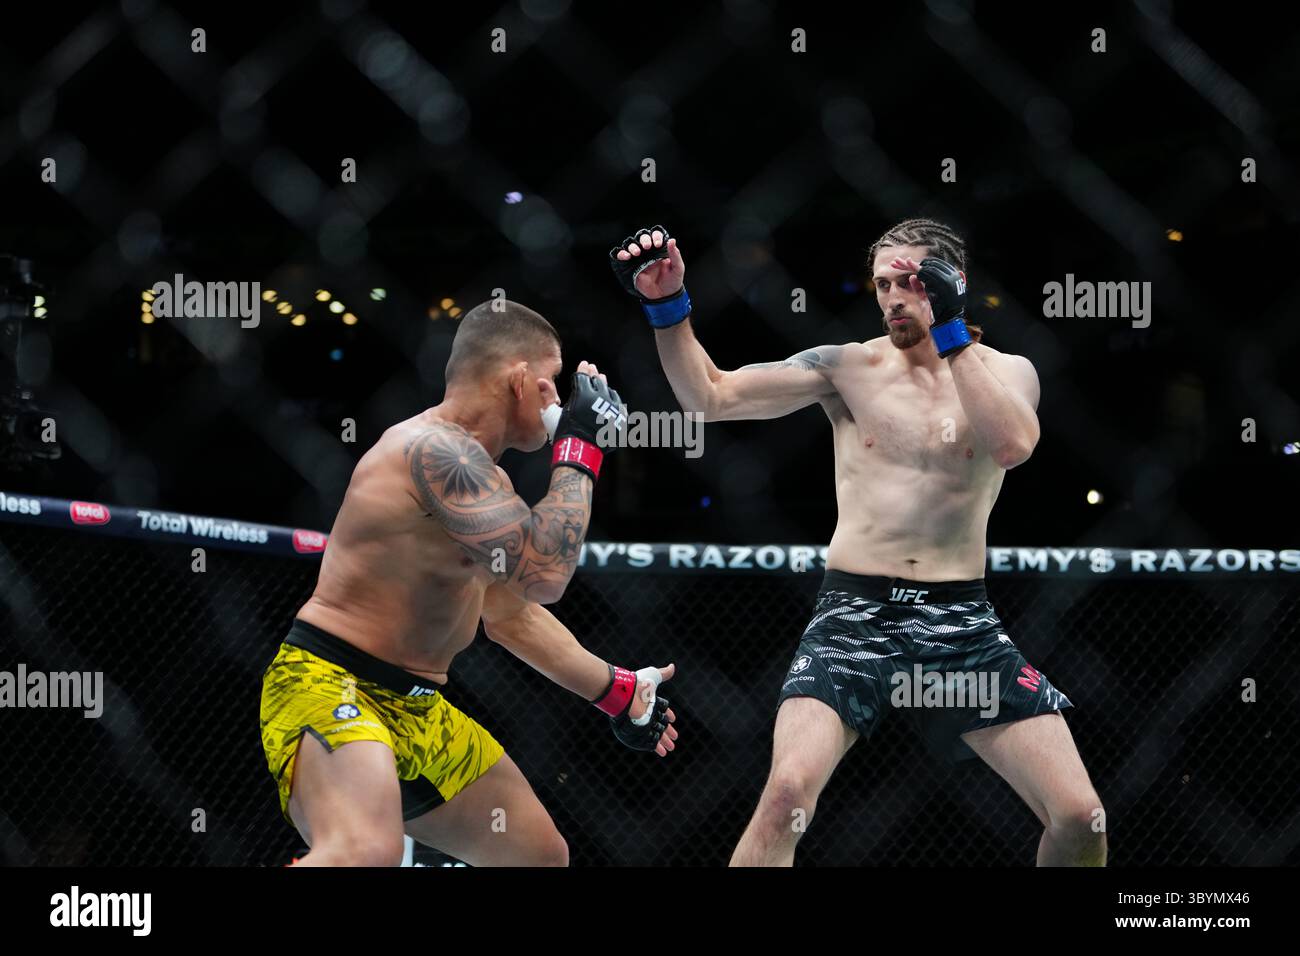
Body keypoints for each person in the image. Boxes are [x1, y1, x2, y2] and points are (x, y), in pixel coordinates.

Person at [610, 221, 1104, 866]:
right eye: (883, 284)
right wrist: (667, 308)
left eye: (911, 282)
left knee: (1080, 816)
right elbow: (711, 397)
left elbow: (1011, 446)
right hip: (854, 614)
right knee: (786, 791)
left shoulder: (1010, 373)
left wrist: (953, 337)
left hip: (960, 623)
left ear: (952, 283)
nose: (894, 297)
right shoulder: (849, 367)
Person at [259, 299, 677, 866]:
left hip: (419, 708)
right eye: (551, 382)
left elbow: (512, 614)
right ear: (518, 381)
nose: (558, 398)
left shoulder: (485, 481)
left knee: (537, 856)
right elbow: (547, 573)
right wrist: (580, 448)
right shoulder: (434, 452)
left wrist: (618, 691)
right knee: (365, 853)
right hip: (333, 683)